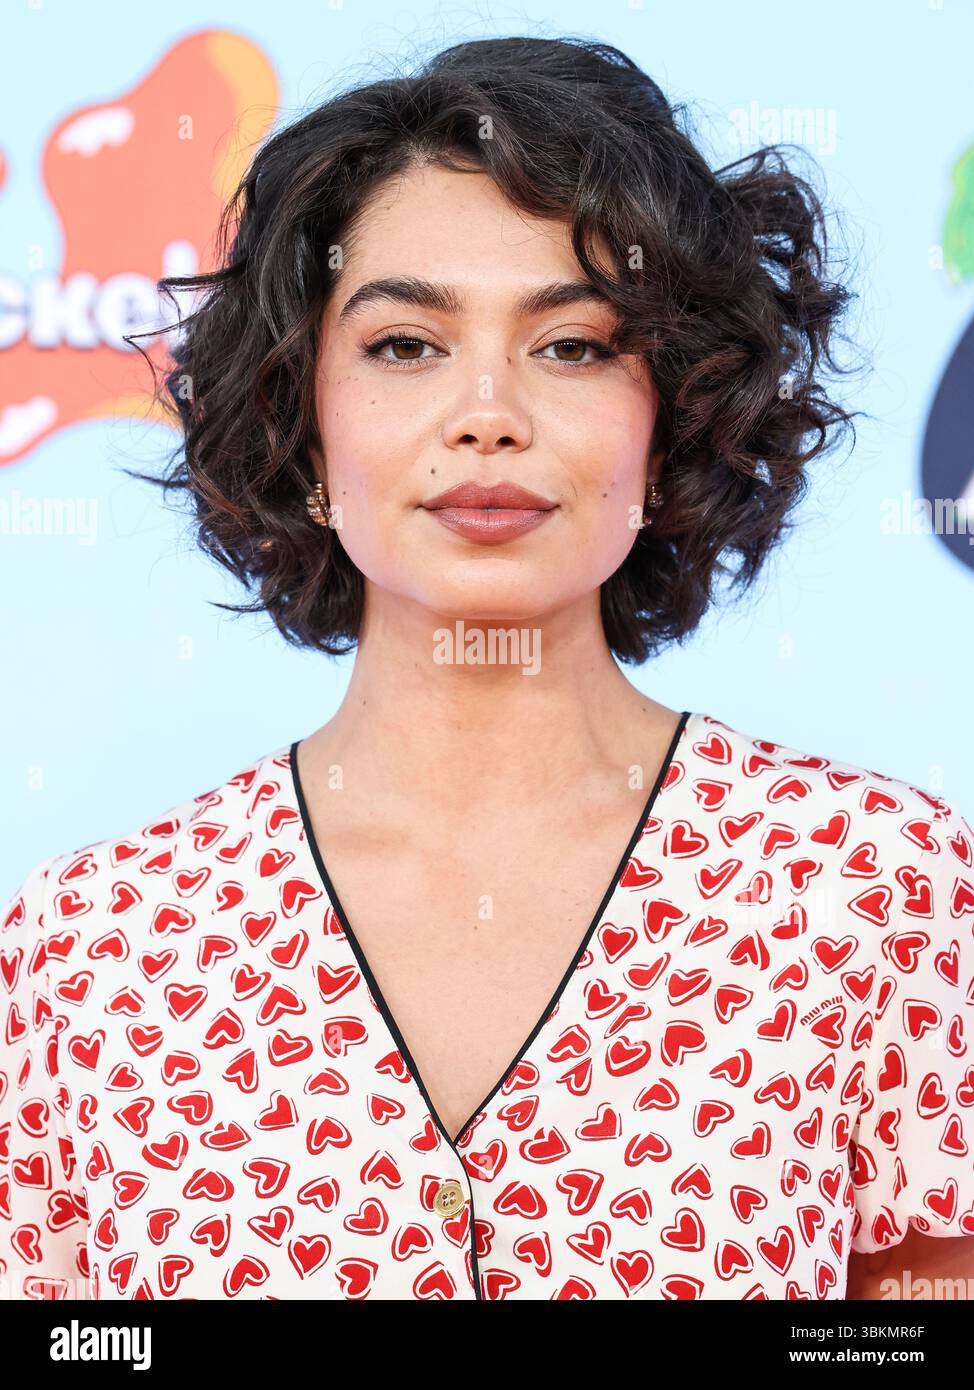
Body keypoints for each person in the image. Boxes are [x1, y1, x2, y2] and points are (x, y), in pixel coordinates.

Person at [2, 35, 972, 1303]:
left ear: (668, 413)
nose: (487, 412)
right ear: (303, 416)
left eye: (571, 345)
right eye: (404, 343)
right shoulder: (88, 951)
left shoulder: (878, 895)